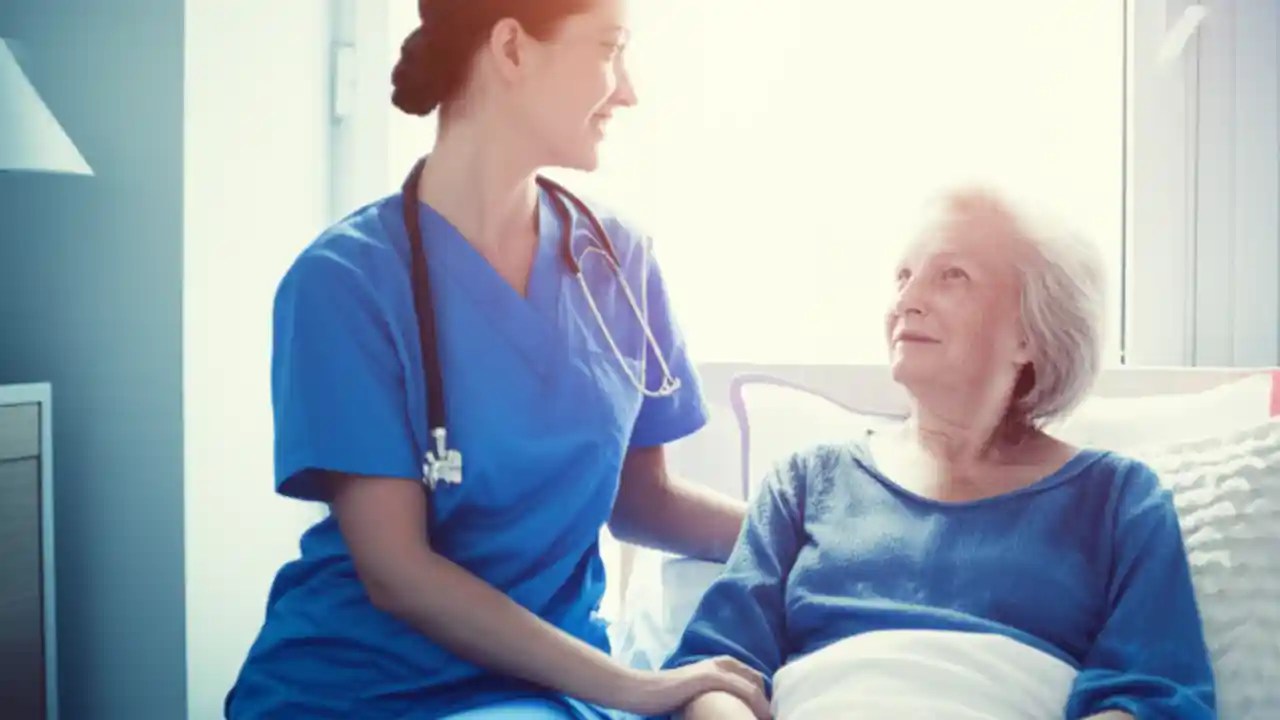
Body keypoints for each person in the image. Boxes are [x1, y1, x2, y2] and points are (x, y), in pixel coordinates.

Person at [223, 1, 770, 718]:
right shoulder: (345, 282)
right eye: (610, 49)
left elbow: (643, 503)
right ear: (511, 49)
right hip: (352, 687)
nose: (628, 89)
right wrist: (638, 689)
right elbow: (398, 573)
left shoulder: (619, 262)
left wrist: (811, 535)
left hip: (540, 688)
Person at [663, 188, 1216, 719]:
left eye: (952, 275)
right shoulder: (805, 483)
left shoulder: (1118, 499)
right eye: (903, 276)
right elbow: (712, 672)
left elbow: (1155, 695)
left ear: (1031, 333)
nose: (906, 300)